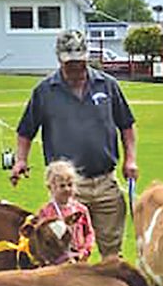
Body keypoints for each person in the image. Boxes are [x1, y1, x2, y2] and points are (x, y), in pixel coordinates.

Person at [12, 29, 138, 259]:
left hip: (105, 183)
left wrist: (130, 159)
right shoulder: (45, 91)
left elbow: (127, 125)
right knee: (69, 254)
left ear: (86, 58)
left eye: (79, 63)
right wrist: (21, 160)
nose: (75, 69)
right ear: (59, 59)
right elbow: (25, 131)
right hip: (67, 189)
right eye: (70, 64)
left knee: (112, 253)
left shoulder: (107, 85)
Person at [36, 160, 96, 263]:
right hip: (57, 260)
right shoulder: (45, 211)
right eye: (62, 186)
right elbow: (40, 238)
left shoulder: (81, 209)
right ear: (51, 187)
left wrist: (85, 250)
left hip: (79, 258)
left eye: (70, 185)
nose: (67, 189)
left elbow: (89, 233)